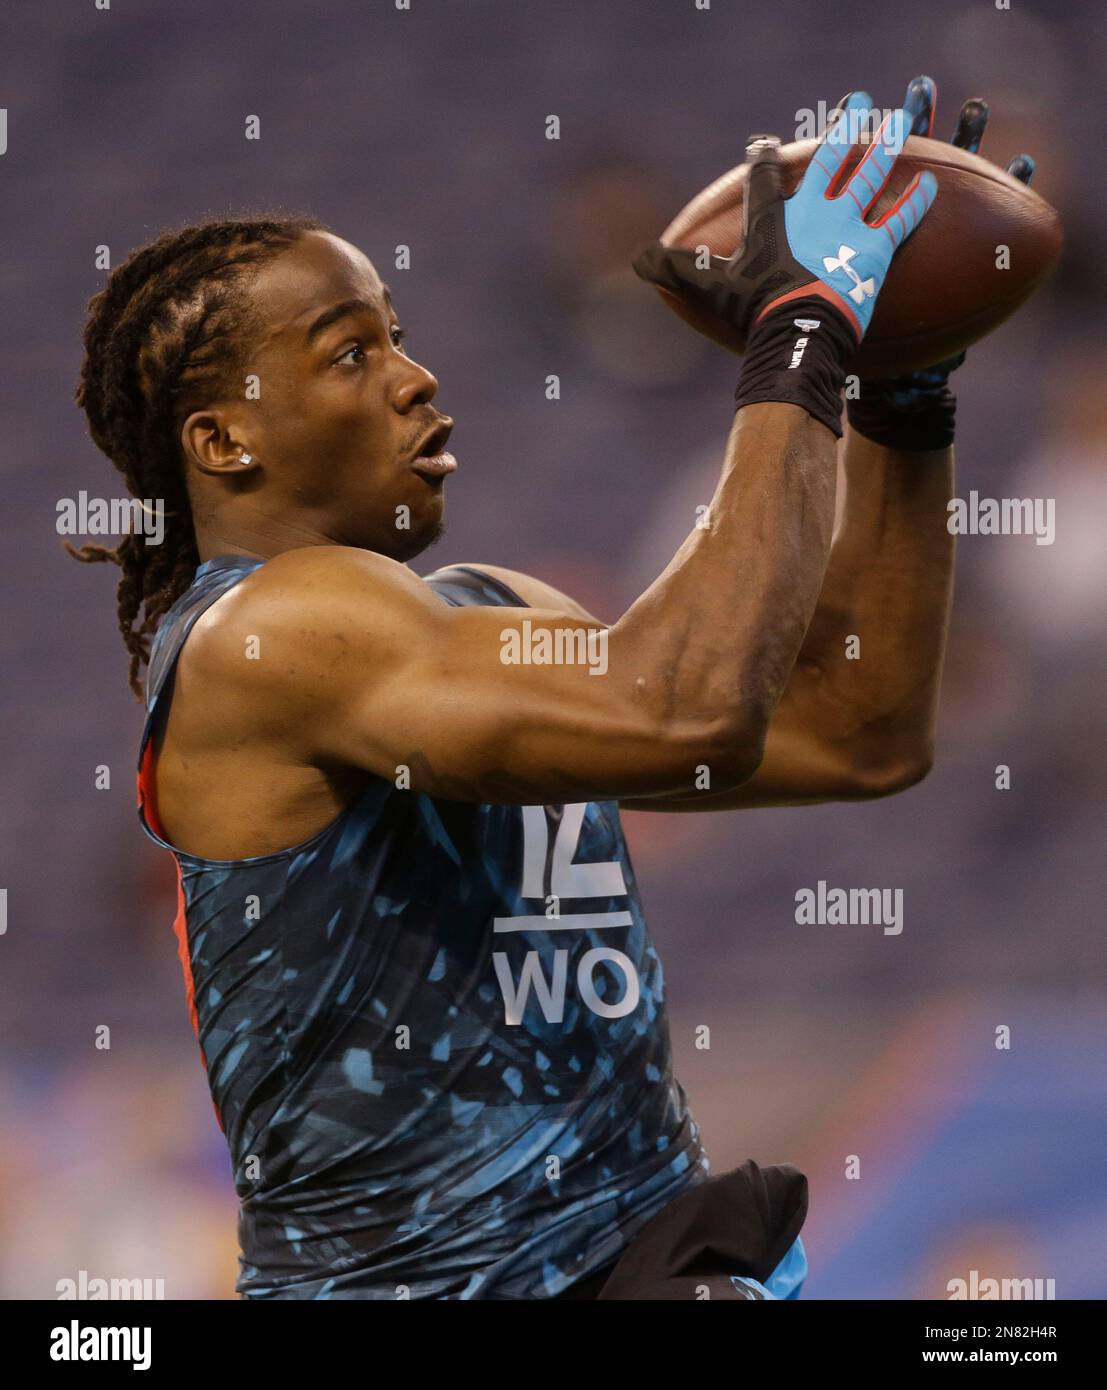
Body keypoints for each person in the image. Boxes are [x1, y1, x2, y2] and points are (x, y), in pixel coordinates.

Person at [70, 77, 1027, 1299]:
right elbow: (679, 708)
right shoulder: (267, 635)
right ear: (223, 441)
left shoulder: (501, 615)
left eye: (401, 335)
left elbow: (860, 734)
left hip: (630, 1258)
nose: (416, 377)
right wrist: (805, 328)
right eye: (353, 352)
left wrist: (903, 397)